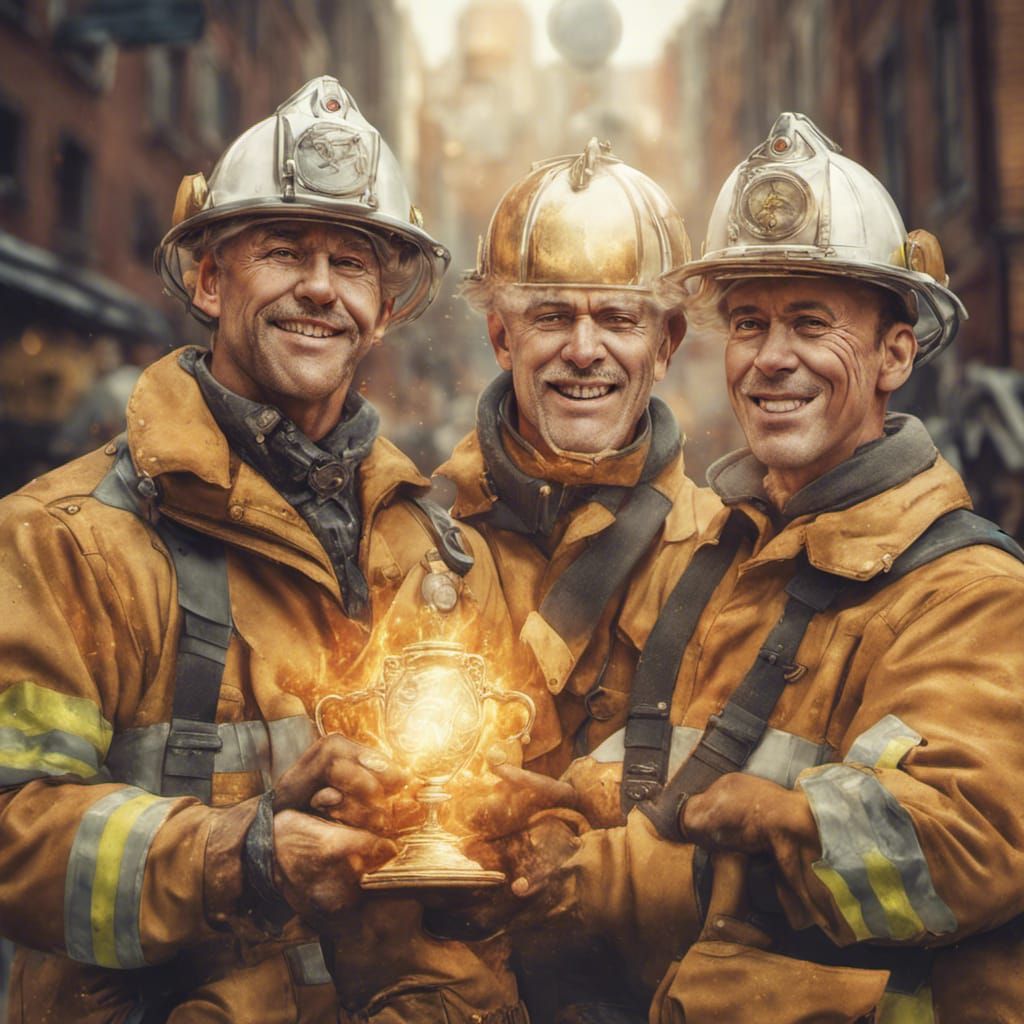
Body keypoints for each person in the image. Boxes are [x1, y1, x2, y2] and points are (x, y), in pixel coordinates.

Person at [0, 76, 523, 1024]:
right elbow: (11, 834)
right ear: (209, 280)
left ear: (386, 304)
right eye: (283, 252)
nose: (320, 288)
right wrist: (239, 853)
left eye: (352, 263)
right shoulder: (64, 538)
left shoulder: (439, 553)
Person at [489, 112, 1024, 1024]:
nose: (773, 359)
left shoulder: (967, 591)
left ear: (897, 351)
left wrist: (629, 877)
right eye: (749, 323)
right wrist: (574, 798)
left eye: (811, 325)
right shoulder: (726, 557)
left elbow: (966, 847)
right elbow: (699, 766)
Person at [432, 140, 722, 1018]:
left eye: (621, 320)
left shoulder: (725, 554)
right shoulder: (415, 539)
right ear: (500, 335)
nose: (583, 350)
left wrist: (576, 827)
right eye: (552, 315)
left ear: (666, 343)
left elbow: (739, 804)